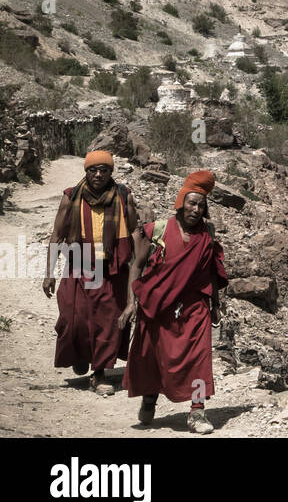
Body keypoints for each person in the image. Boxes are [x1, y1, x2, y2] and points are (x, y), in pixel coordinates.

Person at [120, 170, 227, 434]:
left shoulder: (207, 235)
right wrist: (131, 303)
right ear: (181, 202)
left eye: (201, 205)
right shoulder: (158, 230)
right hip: (158, 305)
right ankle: (149, 396)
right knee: (153, 357)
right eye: (192, 203)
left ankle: (197, 411)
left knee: (200, 360)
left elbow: (211, 272)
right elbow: (137, 266)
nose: (196, 209)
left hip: (194, 309)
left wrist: (215, 305)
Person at [43, 150, 139, 396]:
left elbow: (133, 231)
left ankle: (99, 374)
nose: (98, 175)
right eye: (92, 170)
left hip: (111, 268)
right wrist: (49, 273)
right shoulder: (71, 197)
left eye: (104, 170)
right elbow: (57, 235)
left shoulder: (123, 196)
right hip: (80, 266)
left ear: (111, 172)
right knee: (73, 319)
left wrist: (137, 267)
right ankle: (81, 353)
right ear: (85, 172)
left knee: (107, 321)